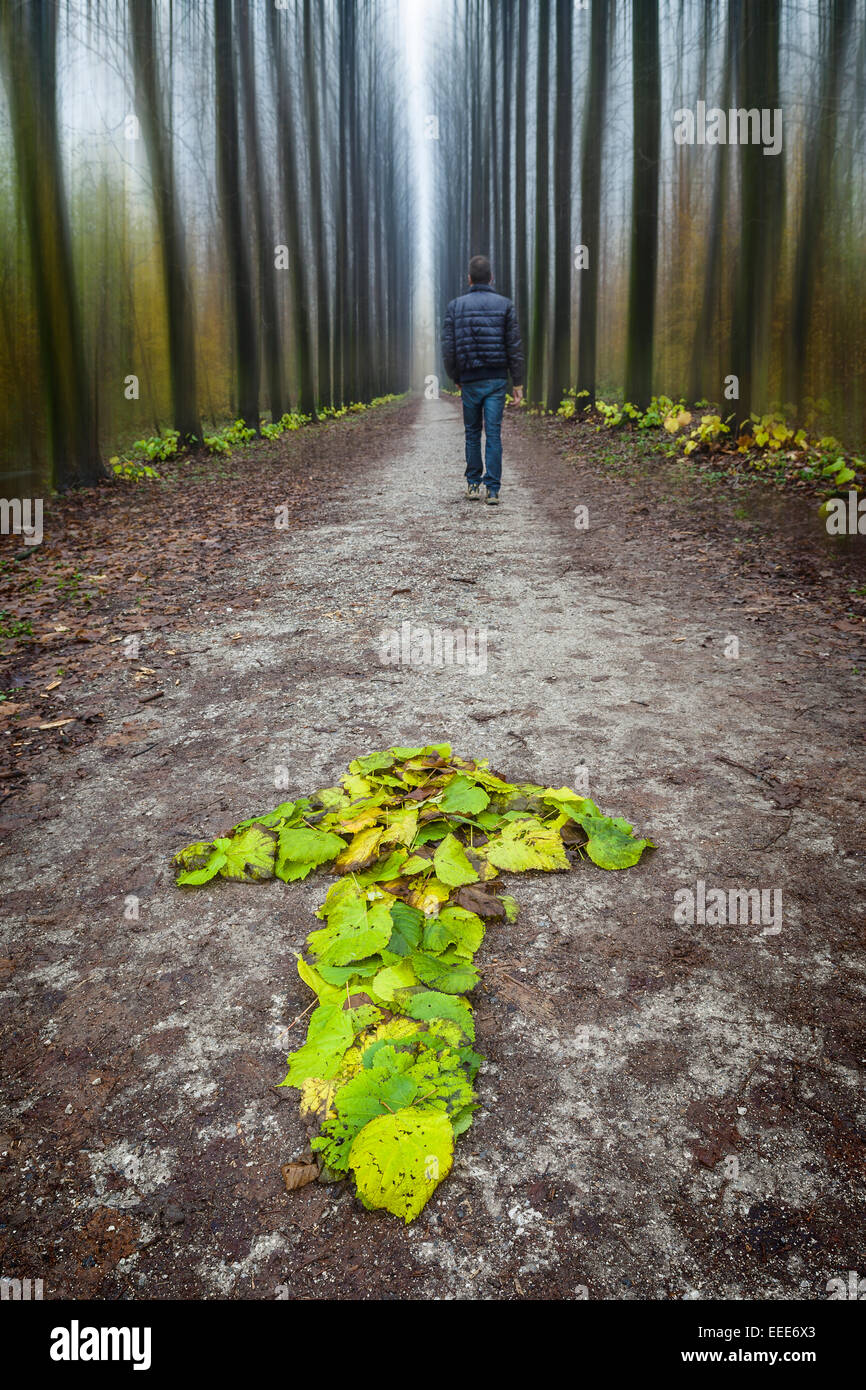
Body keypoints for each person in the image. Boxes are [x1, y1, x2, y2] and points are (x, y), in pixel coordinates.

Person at [441, 255, 525, 505]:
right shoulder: (505, 305)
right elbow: (514, 346)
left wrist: (456, 375)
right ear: (491, 278)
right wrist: (518, 383)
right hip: (497, 380)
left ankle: (473, 485)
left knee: (472, 433)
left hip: (470, 380)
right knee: (493, 433)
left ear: (469, 279)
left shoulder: (455, 306)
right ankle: (494, 490)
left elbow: (448, 347)